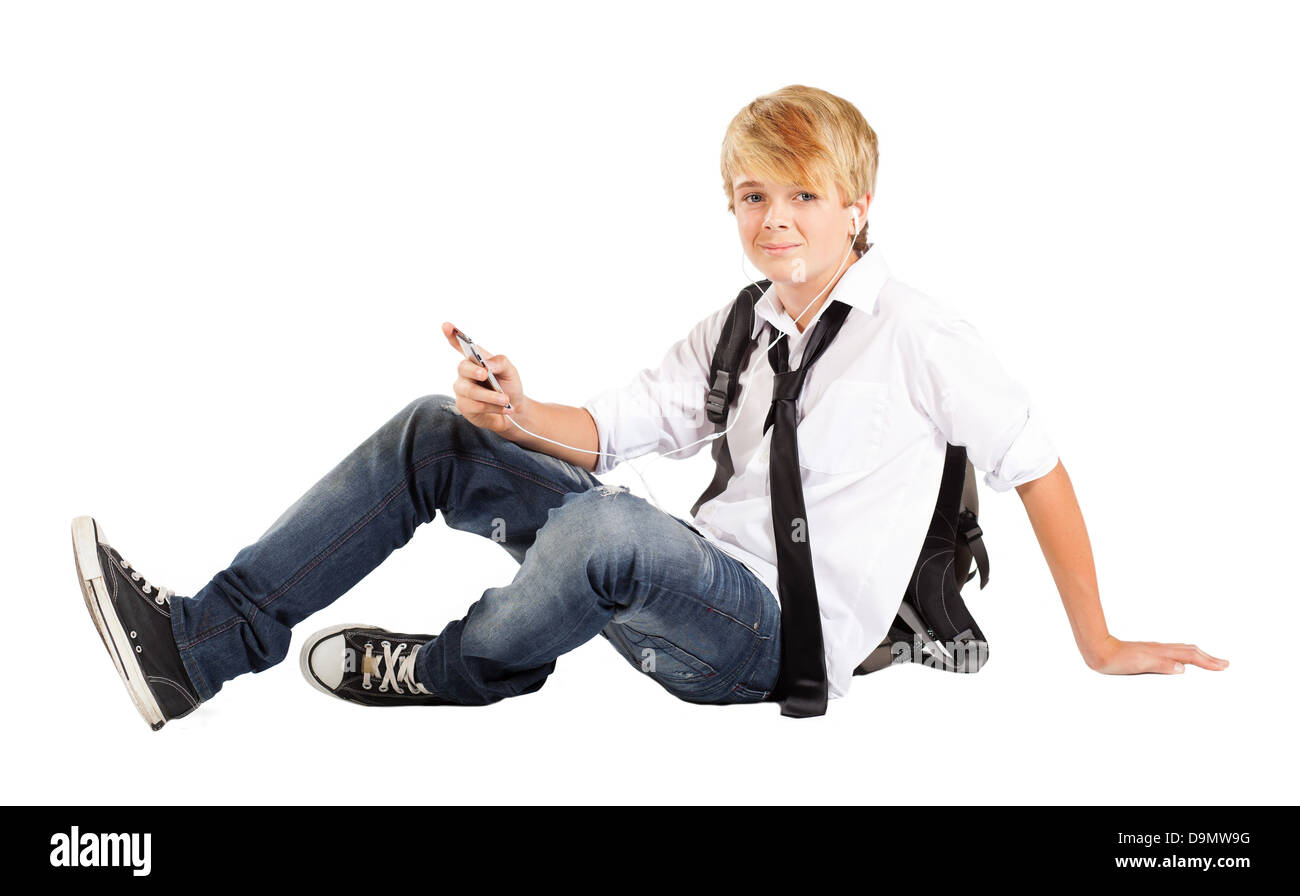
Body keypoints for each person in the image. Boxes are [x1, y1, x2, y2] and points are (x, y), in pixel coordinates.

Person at [70, 84, 1227, 731]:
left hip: (763, 644)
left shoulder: (918, 334)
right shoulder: (740, 323)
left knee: (607, 529)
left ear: (857, 206)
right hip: (672, 576)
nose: (774, 219)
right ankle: (198, 645)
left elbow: (1036, 461)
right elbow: (614, 425)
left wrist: (1097, 638)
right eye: (750, 196)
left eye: (802, 196)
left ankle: (458, 667)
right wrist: (517, 407)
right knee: (443, 427)